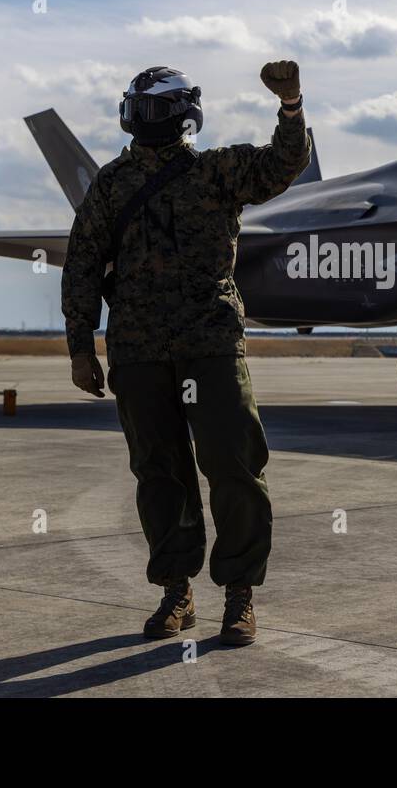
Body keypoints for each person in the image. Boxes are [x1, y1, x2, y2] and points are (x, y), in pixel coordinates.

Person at [61, 61, 311, 646]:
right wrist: (80, 347)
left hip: (211, 345)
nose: (143, 121)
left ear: (179, 113)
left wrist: (292, 104)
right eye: (137, 109)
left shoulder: (216, 171)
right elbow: (81, 266)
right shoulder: (110, 185)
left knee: (234, 467)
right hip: (140, 352)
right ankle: (177, 592)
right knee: (159, 473)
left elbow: (284, 163)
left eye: (153, 110)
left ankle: (240, 596)